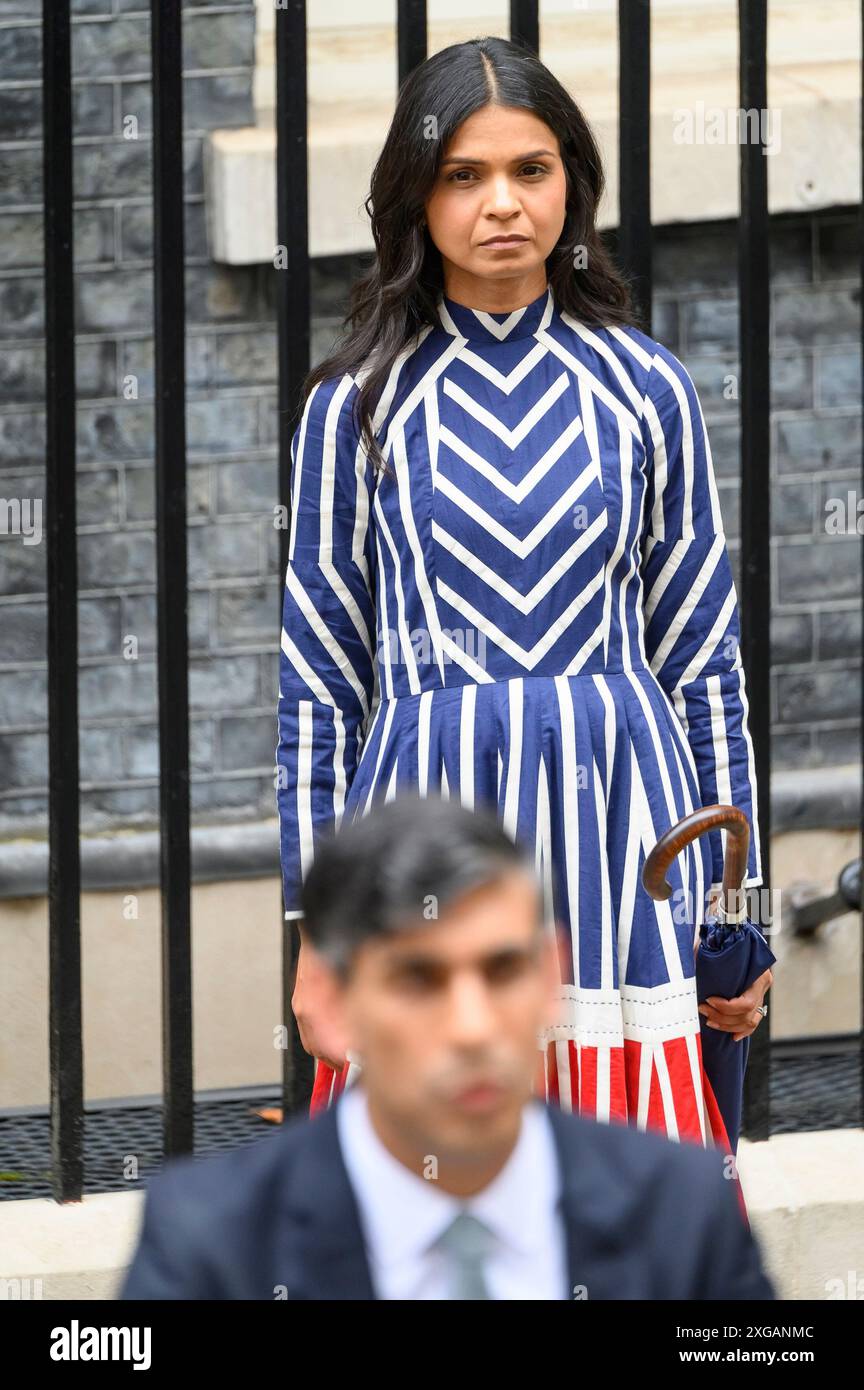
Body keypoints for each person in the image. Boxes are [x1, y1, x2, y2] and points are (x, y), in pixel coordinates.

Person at [275, 35, 771, 1141]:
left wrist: (744, 912)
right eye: (465, 174)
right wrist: (315, 943)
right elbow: (316, 692)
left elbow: (704, 664)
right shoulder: (353, 407)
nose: (503, 203)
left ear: (572, 186)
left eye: (531, 170)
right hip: (428, 831)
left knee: (629, 1201)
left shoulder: (650, 389)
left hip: (625, 836)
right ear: (419, 195)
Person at [120, 795, 775, 1300]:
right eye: (418, 979)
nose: (471, 1027)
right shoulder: (209, 1241)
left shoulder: (685, 1212)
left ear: (552, 974)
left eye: (502, 971)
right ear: (338, 998)